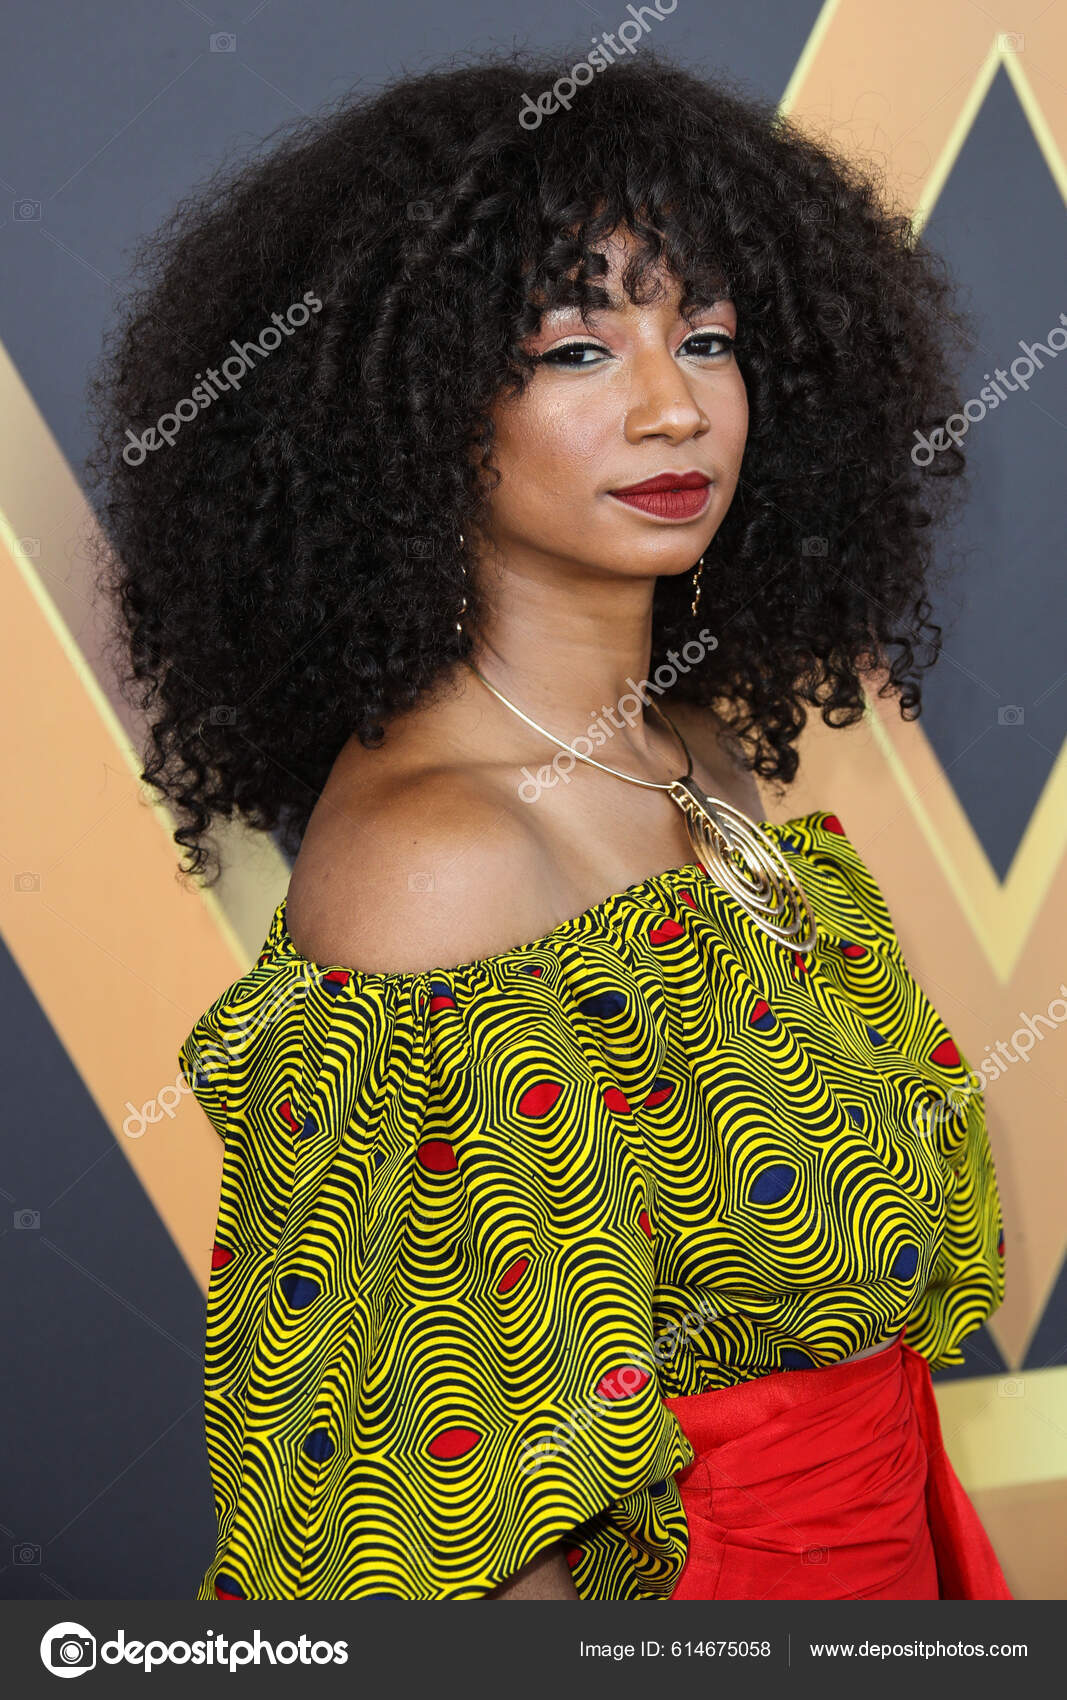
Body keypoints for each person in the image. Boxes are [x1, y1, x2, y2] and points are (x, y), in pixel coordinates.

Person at [86, 49, 1009, 1601]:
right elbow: (439, 1521)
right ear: (416, 406)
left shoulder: (697, 760)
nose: (674, 406)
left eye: (707, 337)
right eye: (578, 351)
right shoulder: (437, 866)